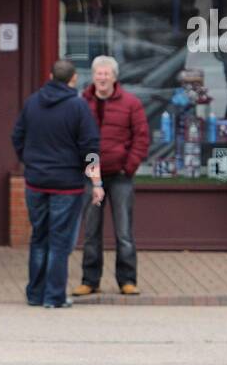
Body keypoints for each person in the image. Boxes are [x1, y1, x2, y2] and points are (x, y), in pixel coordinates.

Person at [12, 59, 103, 309]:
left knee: (39, 237)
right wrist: (96, 181)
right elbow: (90, 147)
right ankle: (54, 296)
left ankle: (34, 294)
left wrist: (29, 161)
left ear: (51, 75)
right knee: (60, 241)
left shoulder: (32, 102)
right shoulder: (78, 106)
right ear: (73, 79)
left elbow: (17, 136)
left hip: (36, 181)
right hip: (68, 184)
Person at [75, 55, 149, 297]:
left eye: (106, 74)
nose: (102, 78)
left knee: (124, 232)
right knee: (90, 232)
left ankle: (127, 280)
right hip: (91, 176)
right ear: (93, 76)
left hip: (120, 177)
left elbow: (141, 138)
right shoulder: (81, 103)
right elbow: (73, 136)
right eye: (98, 73)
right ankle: (89, 280)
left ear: (115, 77)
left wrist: (128, 167)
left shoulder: (131, 103)